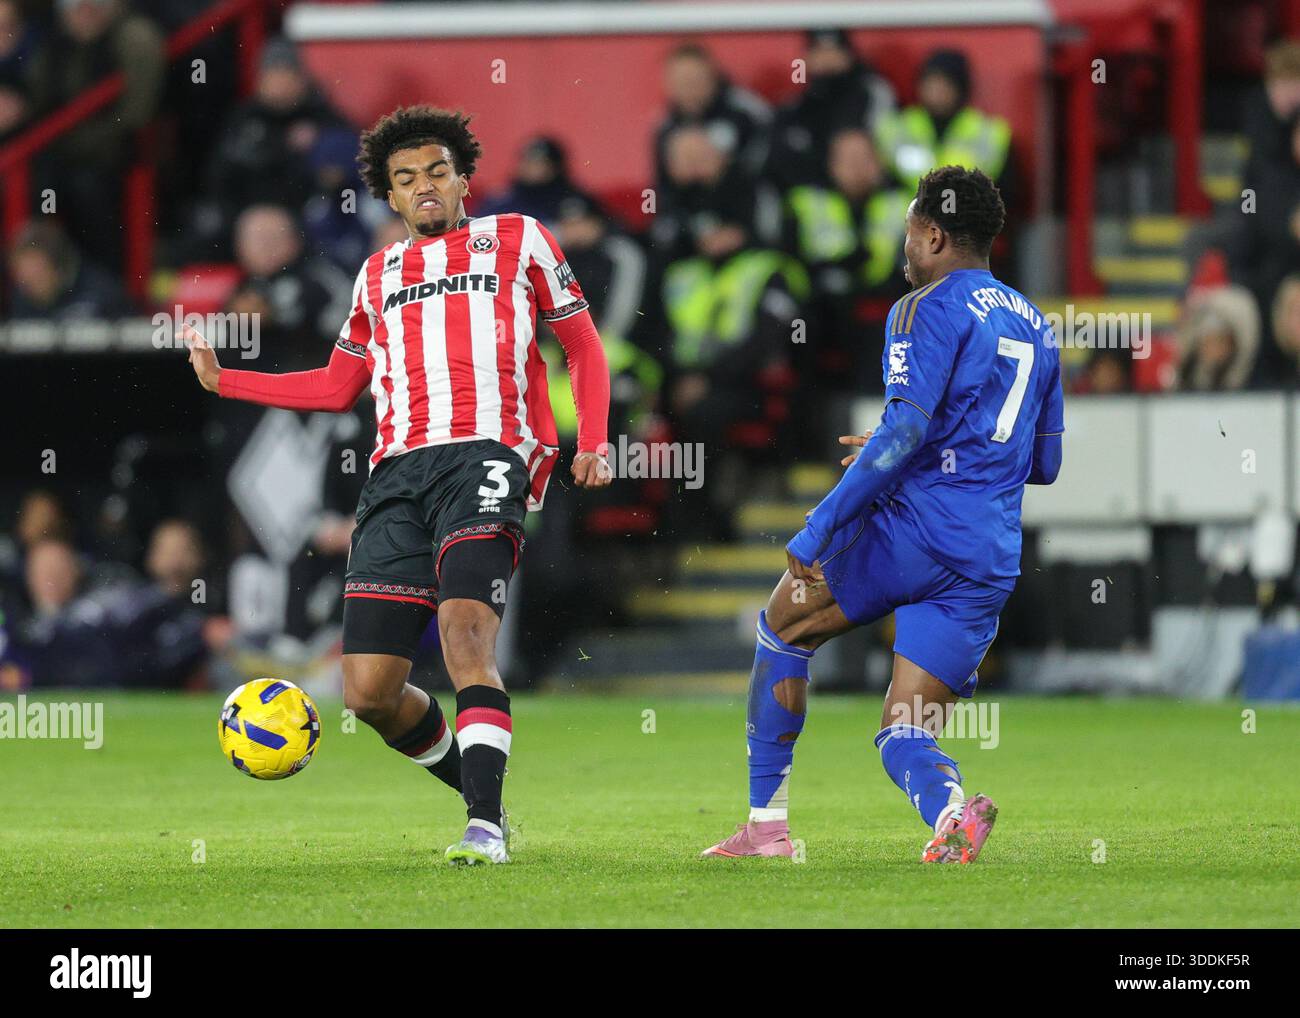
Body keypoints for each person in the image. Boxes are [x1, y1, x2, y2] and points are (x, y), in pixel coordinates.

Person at [182, 105, 612, 866]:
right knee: (370, 693)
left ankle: (481, 828)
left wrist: (597, 439)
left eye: (437, 173)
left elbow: (580, 341)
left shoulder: (520, 240)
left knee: (463, 640)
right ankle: (486, 799)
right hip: (395, 476)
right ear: (387, 195)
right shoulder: (378, 273)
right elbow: (335, 385)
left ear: (462, 179)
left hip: (486, 455)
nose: (424, 188)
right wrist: (228, 383)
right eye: (406, 178)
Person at [701, 167, 1063, 864]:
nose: (903, 247)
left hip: (911, 530)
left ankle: (768, 831)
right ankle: (951, 813)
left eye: (907, 231)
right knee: (906, 729)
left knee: (782, 630)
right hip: (986, 553)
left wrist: (819, 527)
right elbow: (1042, 465)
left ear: (932, 233)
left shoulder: (921, 306)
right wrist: (937, 446)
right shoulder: (1036, 324)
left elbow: (903, 432)